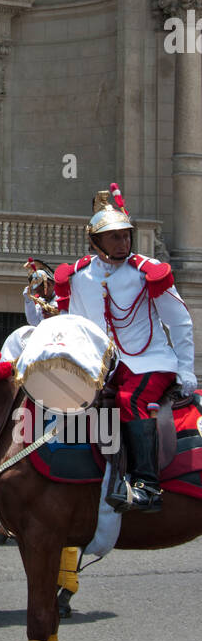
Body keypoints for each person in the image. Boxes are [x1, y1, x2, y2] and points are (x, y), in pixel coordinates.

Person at [50, 184, 197, 512]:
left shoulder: (147, 273)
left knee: (131, 400)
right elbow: (74, 325)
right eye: (114, 237)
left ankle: (148, 484)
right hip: (106, 366)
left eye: (126, 235)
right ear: (96, 241)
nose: (123, 243)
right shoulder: (78, 277)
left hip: (150, 361)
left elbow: (181, 321)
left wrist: (186, 369)